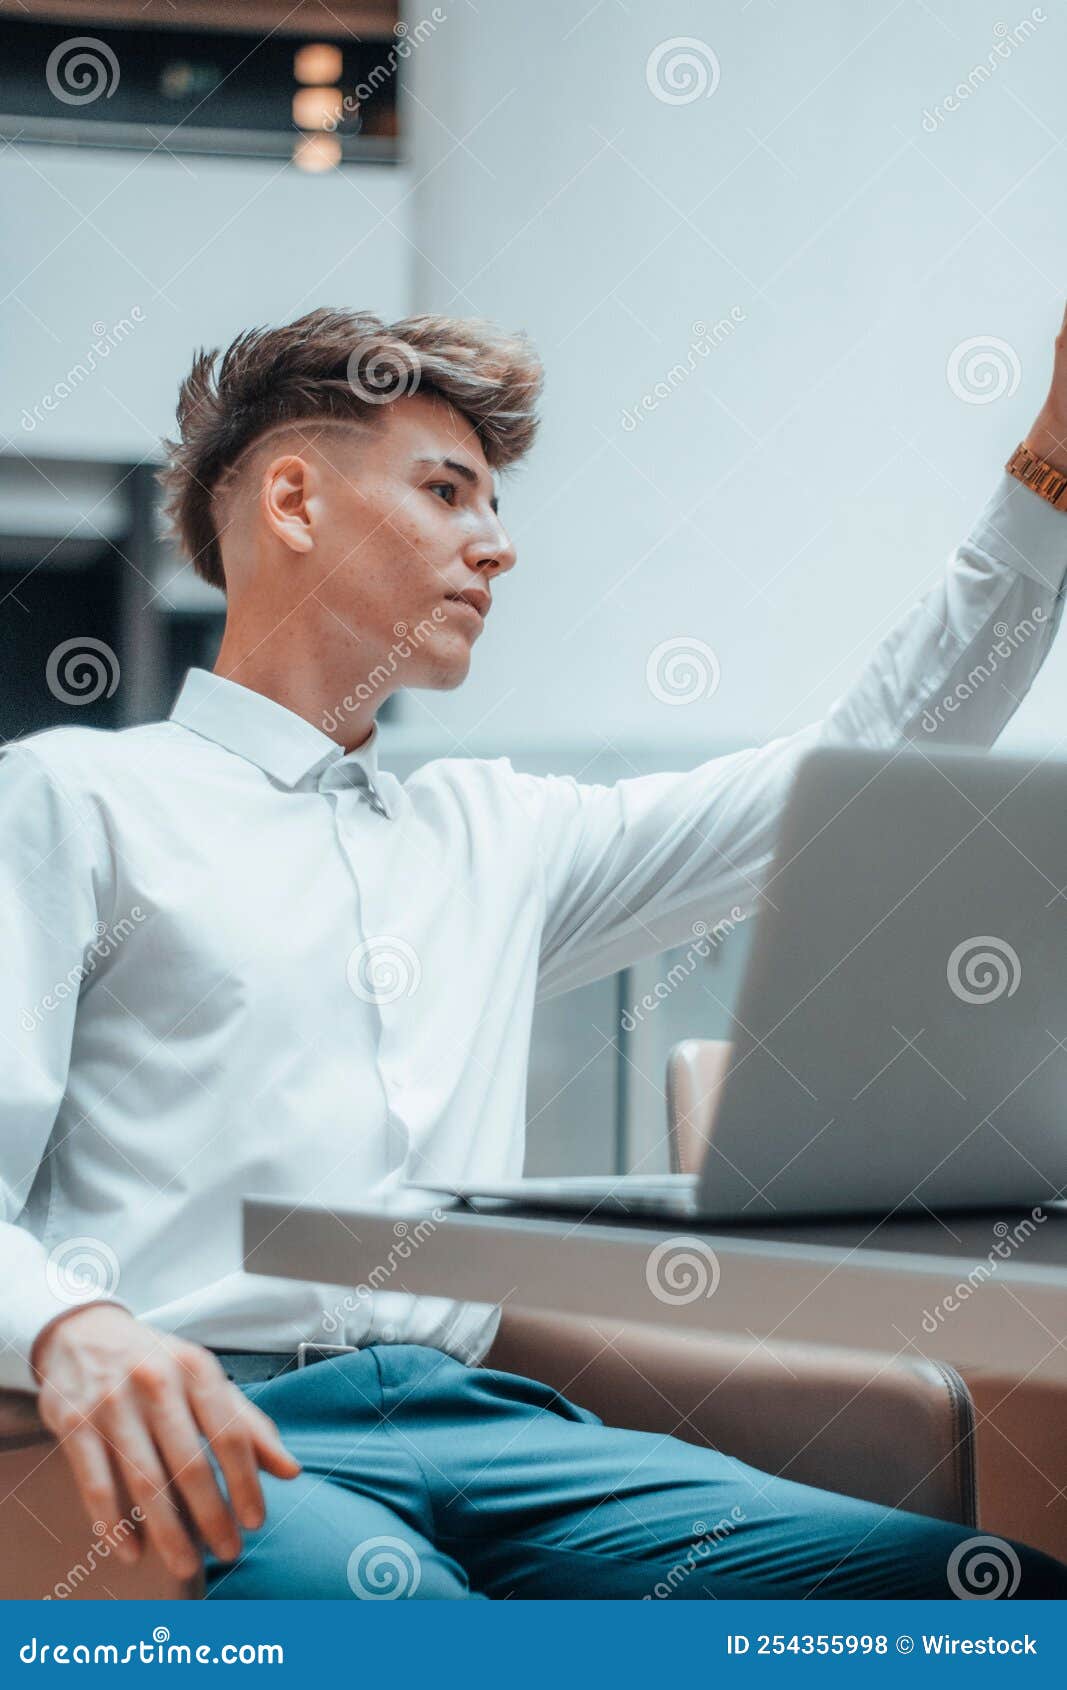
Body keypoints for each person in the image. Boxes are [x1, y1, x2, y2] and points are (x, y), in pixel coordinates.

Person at [4, 305, 1067, 1600]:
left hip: (486, 1425)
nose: (497, 545)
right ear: (292, 501)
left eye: (494, 505)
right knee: (411, 1625)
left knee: (979, 1596)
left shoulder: (496, 833)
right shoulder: (73, 801)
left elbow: (872, 760)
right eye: (447, 491)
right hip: (216, 1418)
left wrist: (1051, 467)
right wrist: (66, 1326)